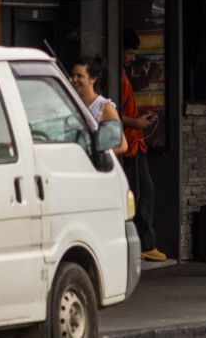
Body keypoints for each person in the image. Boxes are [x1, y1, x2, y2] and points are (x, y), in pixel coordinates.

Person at [118, 30, 163, 262]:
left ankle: (144, 242)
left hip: (135, 142)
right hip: (127, 144)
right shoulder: (117, 78)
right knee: (141, 192)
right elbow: (114, 112)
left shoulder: (124, 76)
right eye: (129, 52)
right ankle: (143, 242)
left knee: (143, 191)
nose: (132, 58)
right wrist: (135, 121)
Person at [68, 57, 127, 155]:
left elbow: (122, 146)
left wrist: (94, 155)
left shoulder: (104, 107)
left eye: (79, 76)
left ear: (93, 79)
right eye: (73, 75)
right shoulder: (71, 102)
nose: (74, 79)